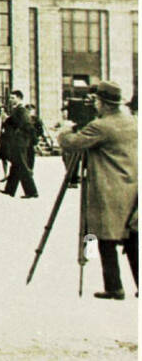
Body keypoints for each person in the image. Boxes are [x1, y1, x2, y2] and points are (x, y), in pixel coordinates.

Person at [57, 80, 138, 300]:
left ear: (102, 103)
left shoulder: (101, 126)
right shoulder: (132, 121)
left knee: (106, 238)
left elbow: (72, 143)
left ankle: (114, 287)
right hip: (131, 188)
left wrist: (65, 130)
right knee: (132, 238)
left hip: (108, 189)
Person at [0, 91, 39, 198]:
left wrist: (31, 140)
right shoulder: (16, 110)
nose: (10, 99)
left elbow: (27, 125)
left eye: (12, 97)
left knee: (22, 166)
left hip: (20, 142)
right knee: (16, 166)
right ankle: (9, 189)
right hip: (17, 142)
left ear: (19, 98)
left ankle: (32, 192)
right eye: (10, 97)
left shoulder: (21, 110)